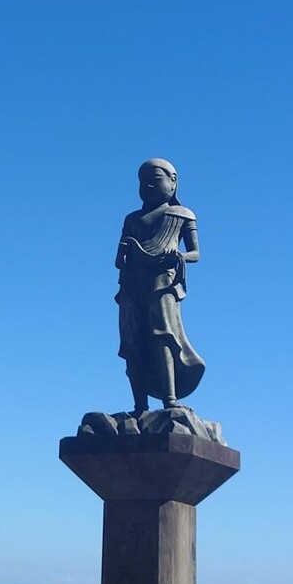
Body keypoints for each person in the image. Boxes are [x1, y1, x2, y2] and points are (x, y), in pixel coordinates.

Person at [114, 158, 205, 412]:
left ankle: (170, 399)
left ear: (173, 182)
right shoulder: (132, 219)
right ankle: (139, 406)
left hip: (162, 283)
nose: (148, 187)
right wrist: (124, 251)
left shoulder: (182, 214)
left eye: (155, 181)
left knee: (162, 337)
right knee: (132, 342)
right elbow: (118, 262)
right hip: (131, 285)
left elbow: (195, 253)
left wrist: (178, 256)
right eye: (143, 183)